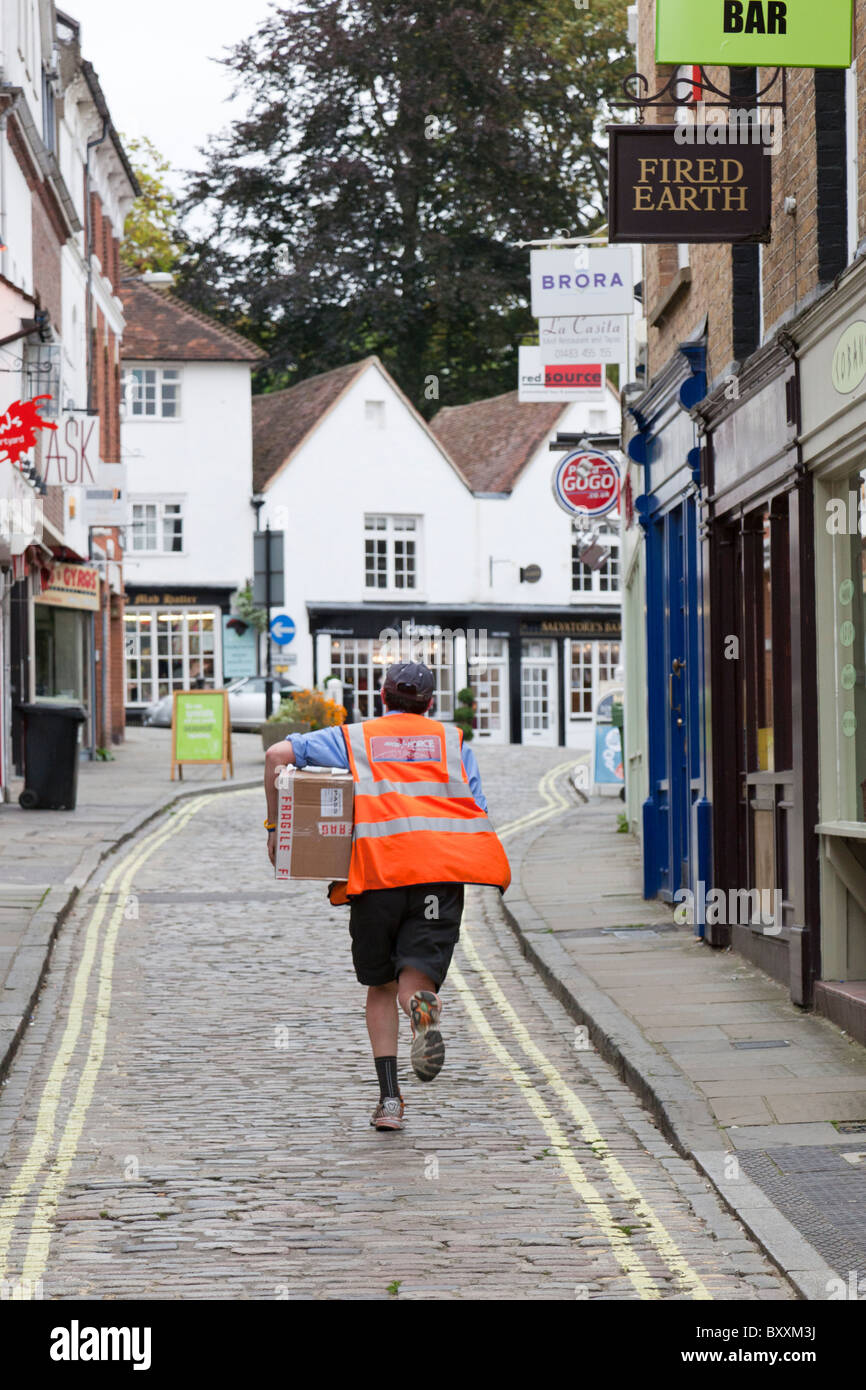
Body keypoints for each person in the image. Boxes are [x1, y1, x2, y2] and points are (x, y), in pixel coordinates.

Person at [264, 661, 510, 1131]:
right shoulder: (454, 744)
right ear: (430, 703)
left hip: (376, 875)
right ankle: (423, 1019)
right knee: (415, 981)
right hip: (438, 877)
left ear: (382, 697)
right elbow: (476, 808)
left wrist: (277, 830)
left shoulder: (354, 738)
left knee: (379, 986)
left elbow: (278, 755)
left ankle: (390, 1101)